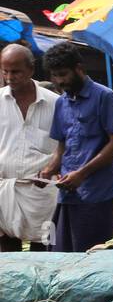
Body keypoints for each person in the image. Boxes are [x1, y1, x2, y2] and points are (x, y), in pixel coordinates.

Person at [39, 43, 113, 253]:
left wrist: (82, 174)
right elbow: (62, 146)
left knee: (91, 258)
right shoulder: (61, 103)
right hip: (68, 194)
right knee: (62, 256)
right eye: (55, 76)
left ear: (79, 68)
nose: (59, 81)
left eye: (63, 74)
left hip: (97, 194)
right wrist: (49, 170)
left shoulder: (105, 97)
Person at [0, 44, 58, 252]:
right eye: (5, 71)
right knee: (6, 252)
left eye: (15, 71)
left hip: (43, 192)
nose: (9, 77)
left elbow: (66, 144)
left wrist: (54, 168)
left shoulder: (56, 103)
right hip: (5, 188)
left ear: (31, 70)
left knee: (46, 250)